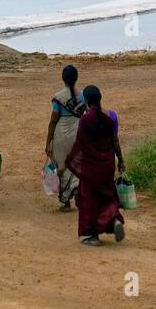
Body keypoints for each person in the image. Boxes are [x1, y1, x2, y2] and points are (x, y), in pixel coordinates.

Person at [65, 85, 126, 247]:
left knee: (89, 201)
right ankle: (113, 222)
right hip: (107, 164)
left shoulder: (86, 119)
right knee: (107, 196)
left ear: (86, 99)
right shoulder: (109, 117)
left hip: (91, 167)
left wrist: (70, 162)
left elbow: (80, 144)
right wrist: (120, 160)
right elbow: (115, 140)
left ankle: (94, 236)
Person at [45, 65, 84, 211]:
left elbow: (53, 121)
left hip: (61, 136)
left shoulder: (58, 98)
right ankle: (77, 188)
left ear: (63, 79)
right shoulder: (83, 96)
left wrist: (48, 141)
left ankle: (66, 202)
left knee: (62, 165)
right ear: (76, 78)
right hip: (78, 133)